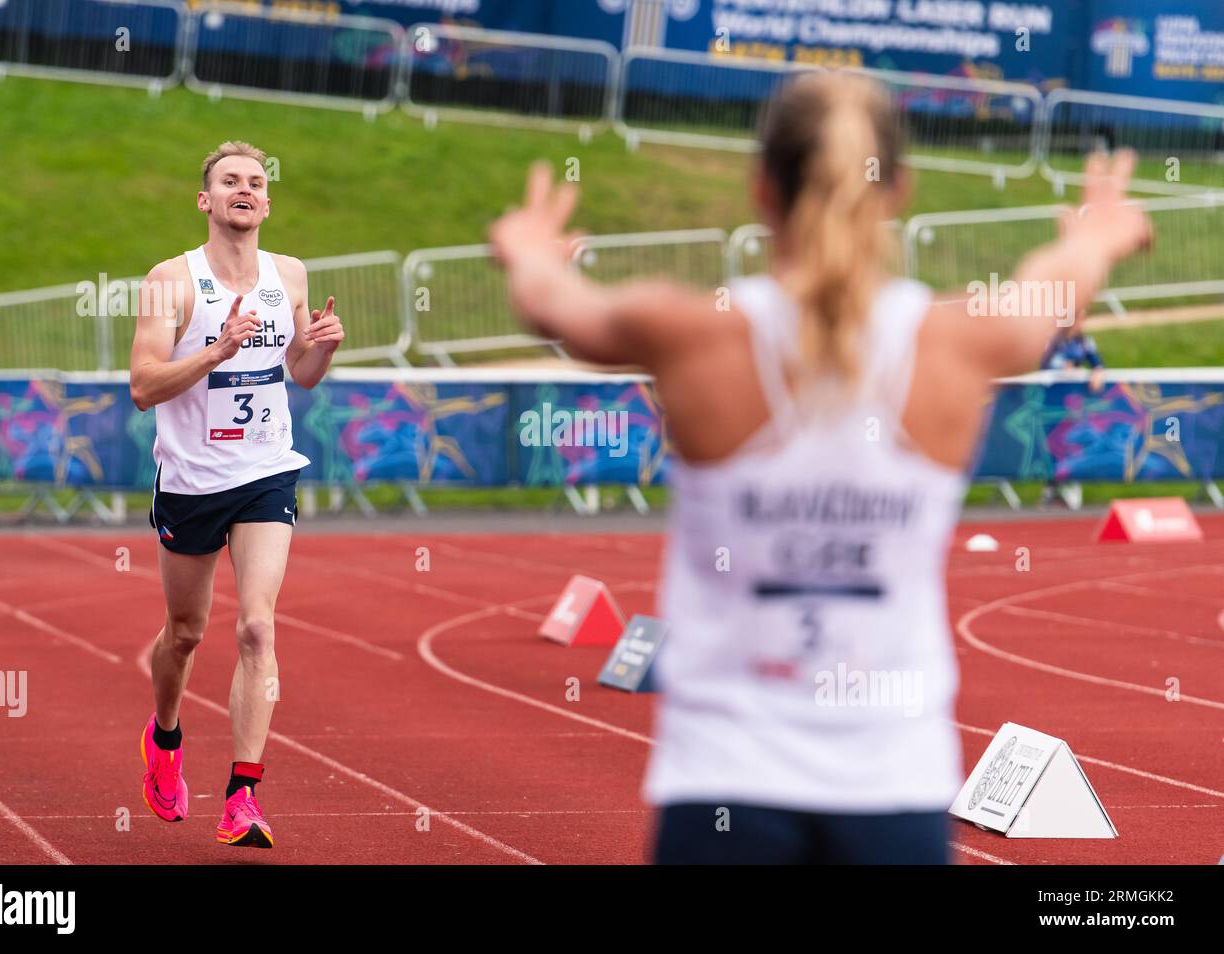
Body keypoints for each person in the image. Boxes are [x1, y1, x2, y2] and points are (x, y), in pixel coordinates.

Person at [488, 73, 1151, 864]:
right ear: (898, 189)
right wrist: (1101, 231)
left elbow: (556, 306)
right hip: (892, 794)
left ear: (760, 186)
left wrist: (529, 248)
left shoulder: (691, 333)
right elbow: (1058, 283)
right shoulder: (963, 343)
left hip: (726, 786)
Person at [129, 141, 345, 848]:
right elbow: (142, 387)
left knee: (257, 626)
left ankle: (242, 795)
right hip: (191, 481)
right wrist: (215, 352)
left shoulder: (290, 274)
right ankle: (164, 738)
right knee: (186, 632)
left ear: (267, 201)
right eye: (230, 182)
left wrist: (324, 347)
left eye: (255, 182)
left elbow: (301, 374)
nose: (244, 191)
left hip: (265, 471)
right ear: (207, 201)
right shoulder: (170, 280)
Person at [1039, 322, 1106, 508]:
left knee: (1074, 444)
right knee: (1053, 445)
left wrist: (1097, 371)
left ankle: (1071, 486)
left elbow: (1097, 364)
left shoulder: (1084, 342)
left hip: (1074, 406)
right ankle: (1051, 488)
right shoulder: (1051, 342)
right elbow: (1045, 367)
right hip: (1051, 406)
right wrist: (1065, 370)